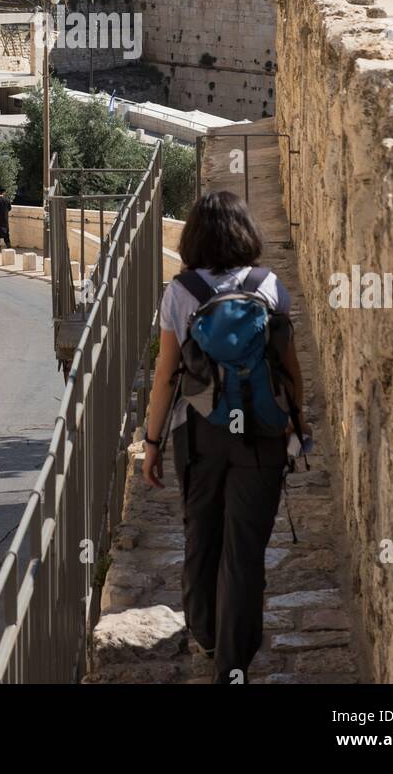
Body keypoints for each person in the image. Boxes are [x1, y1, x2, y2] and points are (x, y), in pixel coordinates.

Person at [142, 191, 310, 685]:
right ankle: (232, 664)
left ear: (193, 236)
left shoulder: (182, 292)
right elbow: (290, 368)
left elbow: (164, 378)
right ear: (245, 233)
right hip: (260, 432)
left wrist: (152, 443)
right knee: (245, 551)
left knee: (202, 537)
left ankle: (206, 631)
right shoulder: (270, 286)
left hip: (200, 434)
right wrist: (298, 425)